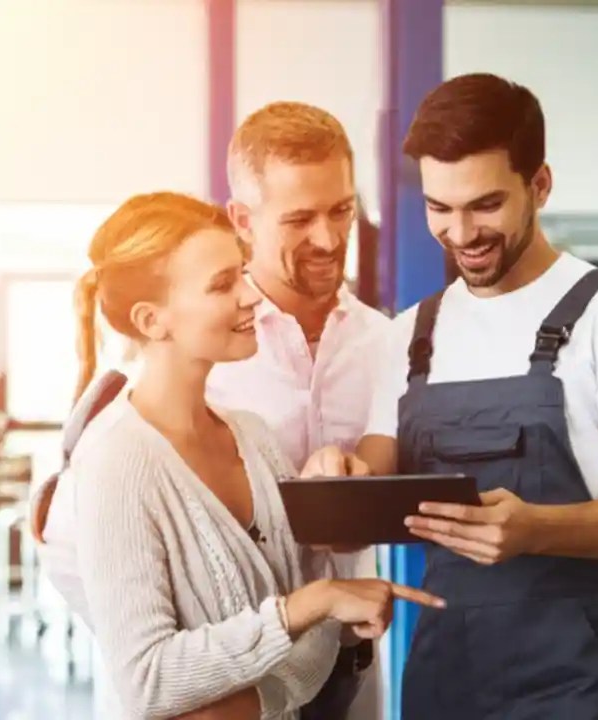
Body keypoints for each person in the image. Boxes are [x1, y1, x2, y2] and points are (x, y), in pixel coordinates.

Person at [314, 73, 598, 718]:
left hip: (571, 686)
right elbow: (376, 477)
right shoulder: (412, 335)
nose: (462, 233)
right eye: (440, 208)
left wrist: (535, 529)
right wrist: (338, 474)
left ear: (539, 185)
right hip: (441, 677)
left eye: (485, 205)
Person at [36, 191, 443, 720]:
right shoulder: (116, 460)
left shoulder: (252, 438)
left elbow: (317, 639)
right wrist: (309, 605)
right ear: (152, 320)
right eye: (223, 284)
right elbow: (149, 680)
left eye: (243, 274)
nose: (252, 296)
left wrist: (256, 700)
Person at [206, 101, 388, 720]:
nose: (329, 239)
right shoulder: (202, 347)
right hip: (231, 680)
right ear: (243, 220)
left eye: (341, 211)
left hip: (351, 669)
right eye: (300, 219)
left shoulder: (384, 343)